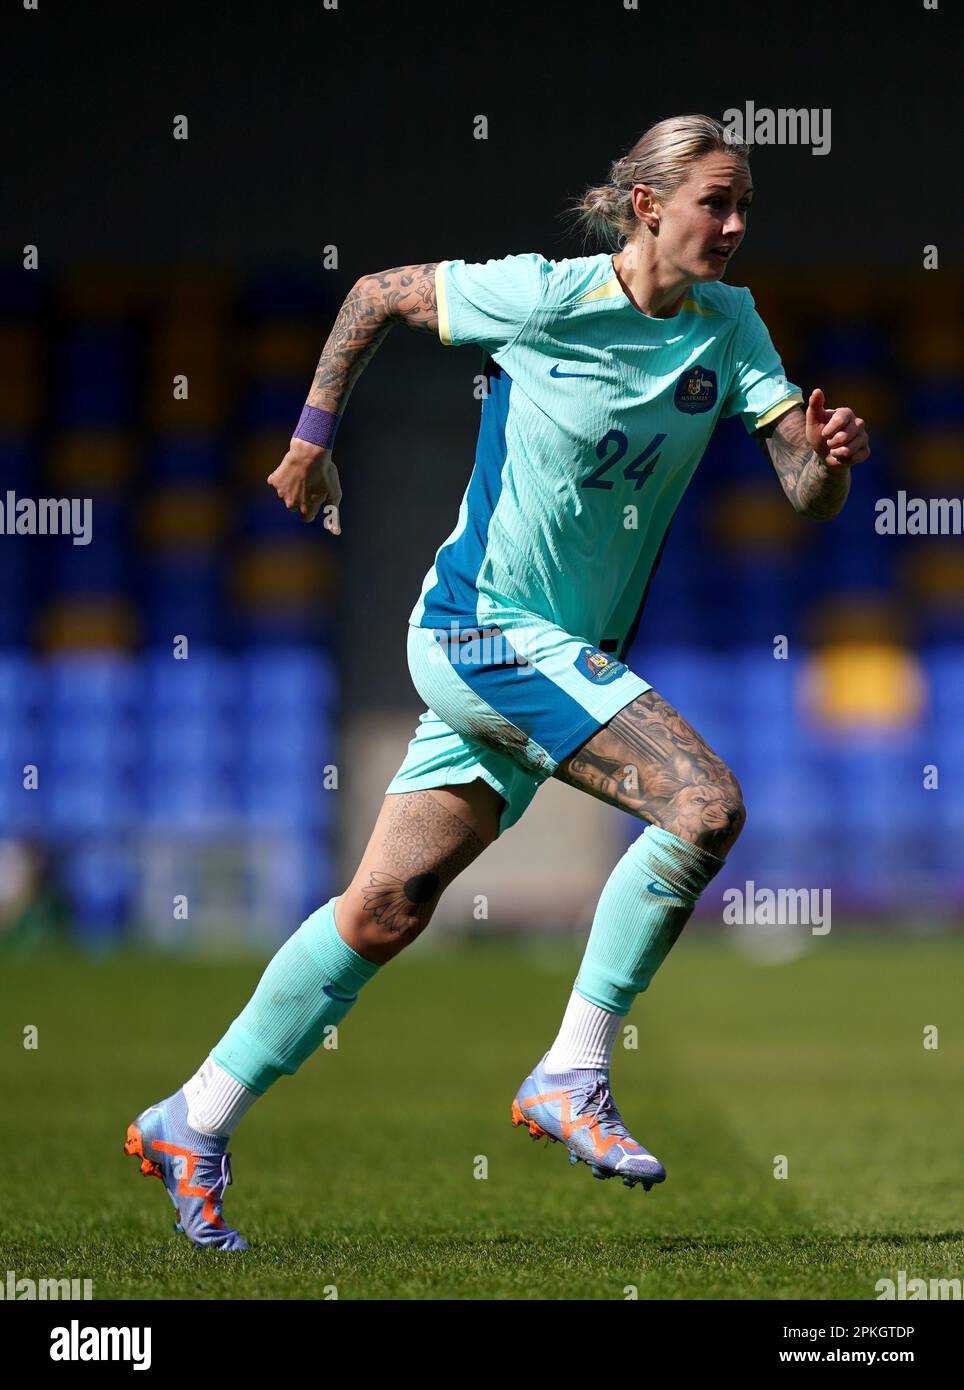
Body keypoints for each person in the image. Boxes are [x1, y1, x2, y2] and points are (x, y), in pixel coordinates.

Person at [125, 113, 870, 1248]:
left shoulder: (729, 325)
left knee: (382, 910)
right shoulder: (541, 295)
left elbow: (800, 492)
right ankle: (573, 1072)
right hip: (481, 627)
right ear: (646, 207)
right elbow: (374, 293)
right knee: (702, 803)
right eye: (715, 202)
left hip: (553, 659)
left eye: (744, 208)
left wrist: (826, 461)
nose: (731, 226)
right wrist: (313, 439)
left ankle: (195, 1115)